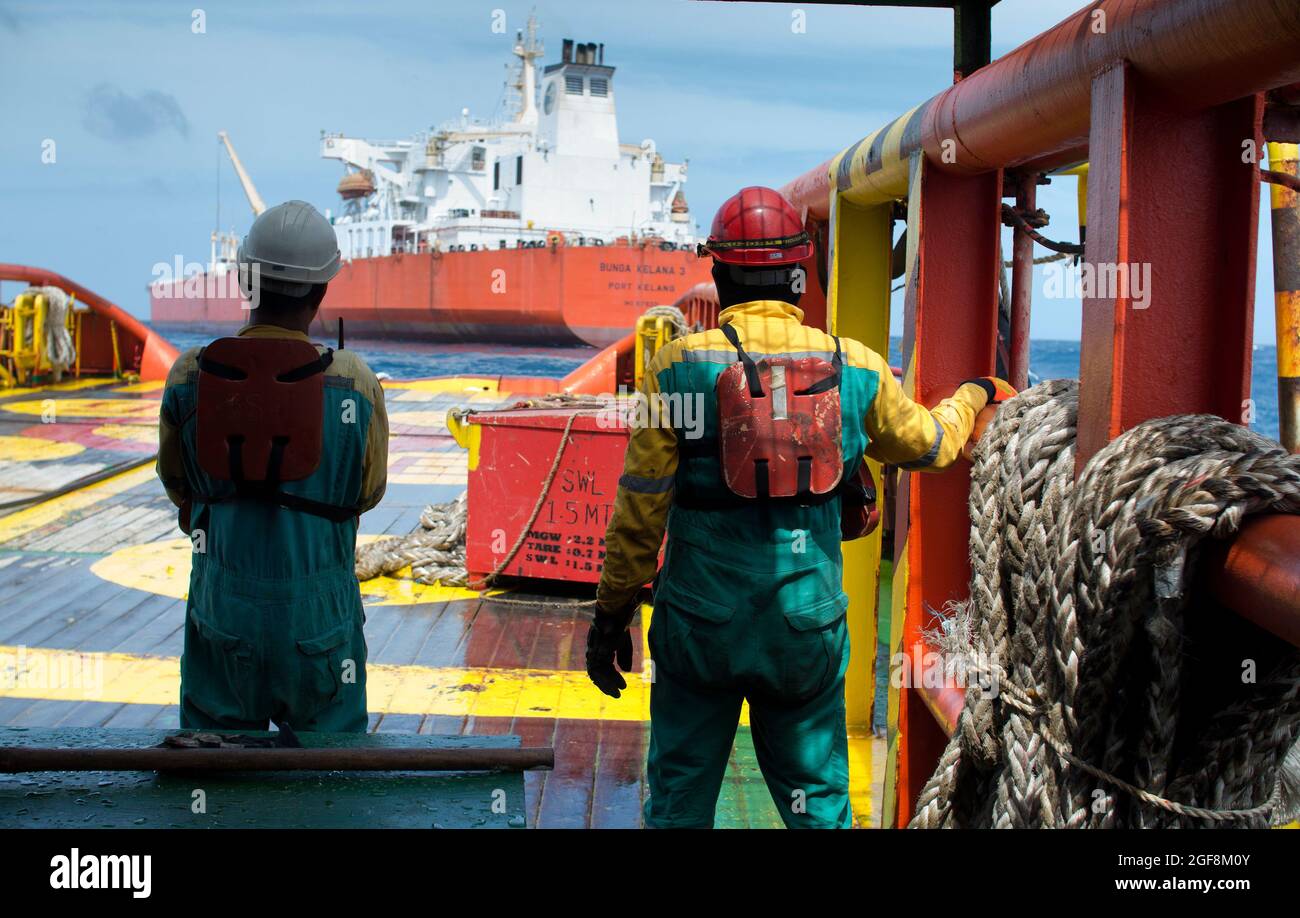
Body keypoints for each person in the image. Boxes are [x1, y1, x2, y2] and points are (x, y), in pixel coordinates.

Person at [586, 185, 1014, 828]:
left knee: (679, 798)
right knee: (817, 806)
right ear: (799, 274)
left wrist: (611, 617)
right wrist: (974, 396)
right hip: (805, 627)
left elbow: (640, 510)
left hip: (700, 625)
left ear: (720, 274)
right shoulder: (858, 368)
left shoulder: (675, 368)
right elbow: (931, 446)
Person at [157, 200, 388, 733]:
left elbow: (178, 484)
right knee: (328, 782)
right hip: (321, 618)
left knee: (215, 768)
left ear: (243, 280)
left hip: (223, 609)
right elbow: (367, 492)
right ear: (323, 290)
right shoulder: (354, 380)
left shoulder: (190, 375)